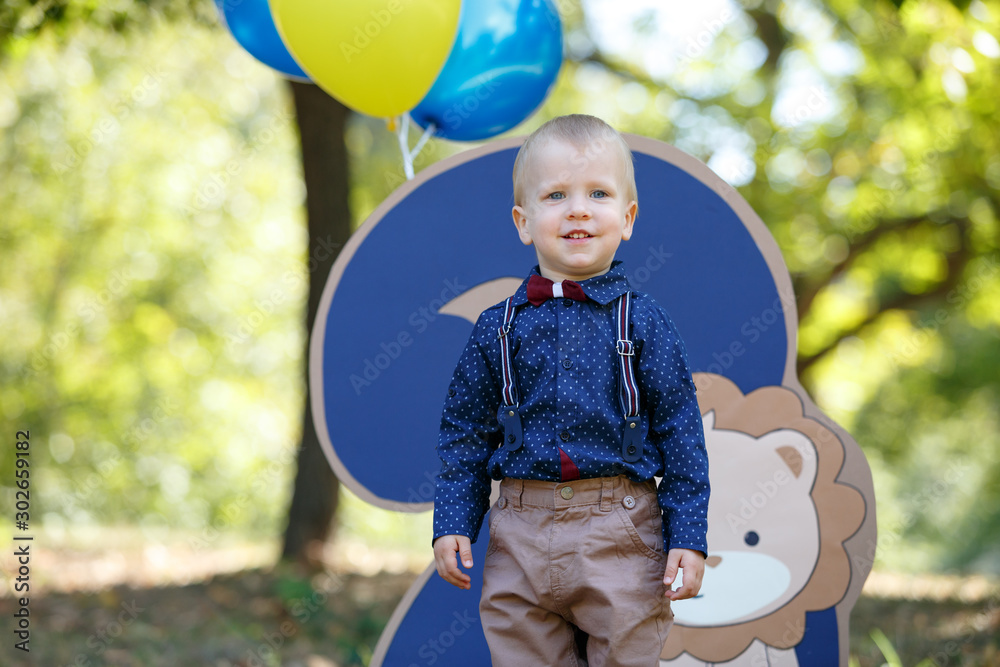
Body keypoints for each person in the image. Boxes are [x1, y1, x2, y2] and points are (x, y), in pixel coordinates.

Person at [432, 114, 709, 667]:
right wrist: (452, 523)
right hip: (519, 532)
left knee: (627, 655)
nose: (578, 208)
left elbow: (682, 433)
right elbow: (464, 434)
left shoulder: (645, 322)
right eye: (556, 194)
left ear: (627, 218)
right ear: (523, 221)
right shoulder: (497, 327)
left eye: (598, 193)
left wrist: (689, 536)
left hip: (621, 531)